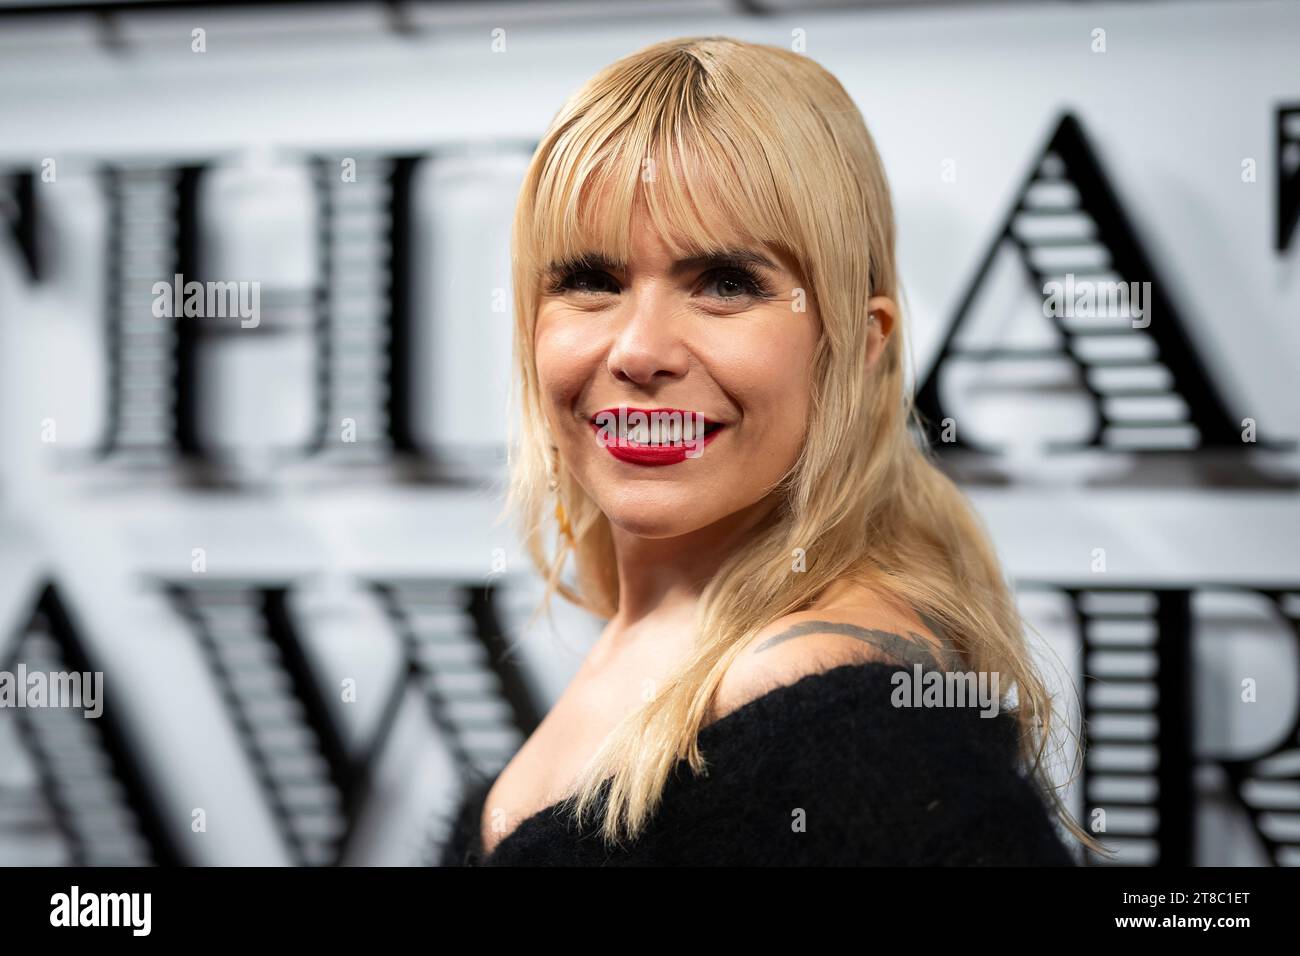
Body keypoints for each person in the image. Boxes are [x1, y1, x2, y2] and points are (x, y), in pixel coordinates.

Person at [436, 35, 1098, 866]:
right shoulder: (668, 634)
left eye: (724, 284)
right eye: (591, 280)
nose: (639, 350)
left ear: (858, 343)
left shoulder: (854, 718)